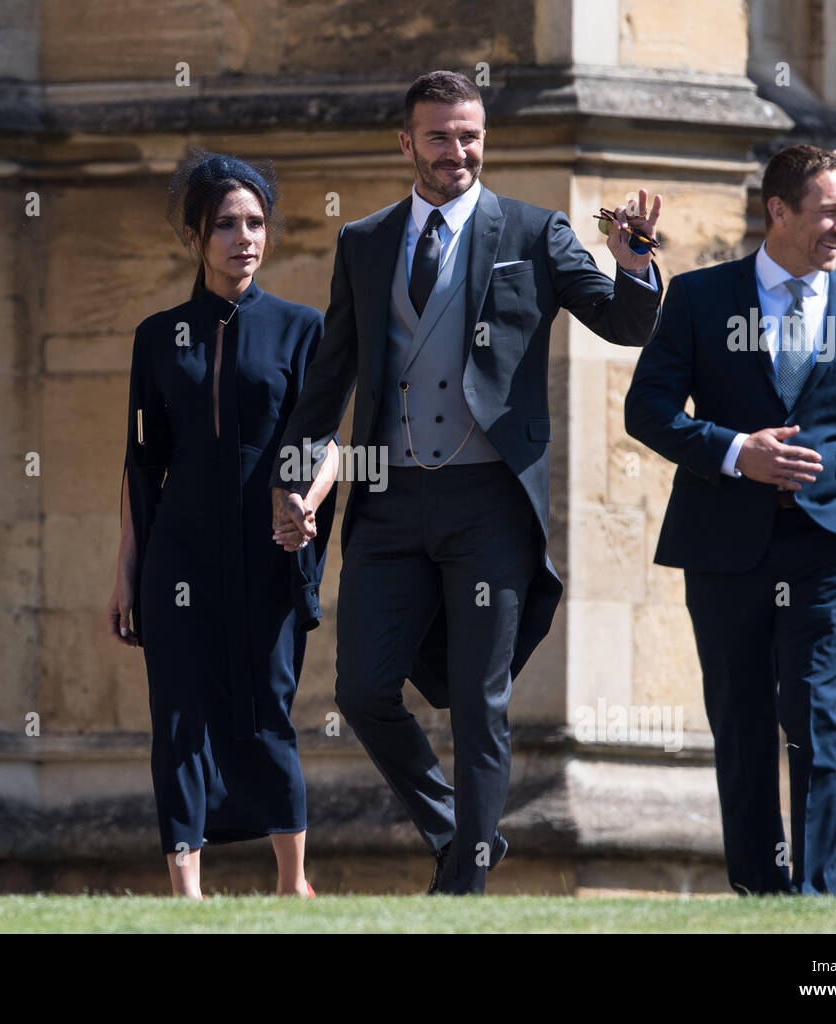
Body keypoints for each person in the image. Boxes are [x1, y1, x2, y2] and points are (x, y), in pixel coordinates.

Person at [268, 70, 664, 894]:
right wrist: (294, 478)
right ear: (406, 142)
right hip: (389, 499)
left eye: (472, 135)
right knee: (364, 690)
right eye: (442, 136)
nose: (459, 151)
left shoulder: (535, 232)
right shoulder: (364, 242)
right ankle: (459, 833)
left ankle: (466, 888)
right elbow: (330, 377)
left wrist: (635, 264)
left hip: (489, 502)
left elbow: (624, 323)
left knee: (481, 703)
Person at [624, 144, 836, 895]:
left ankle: (814, 896)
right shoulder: (697, 298)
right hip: (724, 545)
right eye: (828, 211)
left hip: (830, 546)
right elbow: (647, 411)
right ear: (777, 211)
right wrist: (731, 452)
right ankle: (760, 891)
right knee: (741, 717)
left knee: (817, 713)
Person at [108, 148, 340, 898]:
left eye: (257, 223)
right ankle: (186, 888)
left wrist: (307, 502)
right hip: (178, 552)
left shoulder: (305, 330)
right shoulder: (157, 336)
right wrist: (125, 574)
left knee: (266, 702)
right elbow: (142, 463)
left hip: (269, 547)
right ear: (194, 237)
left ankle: (292, 881)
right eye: (227, 226)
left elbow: (333, 444)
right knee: (177, 707)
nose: (245, 238)